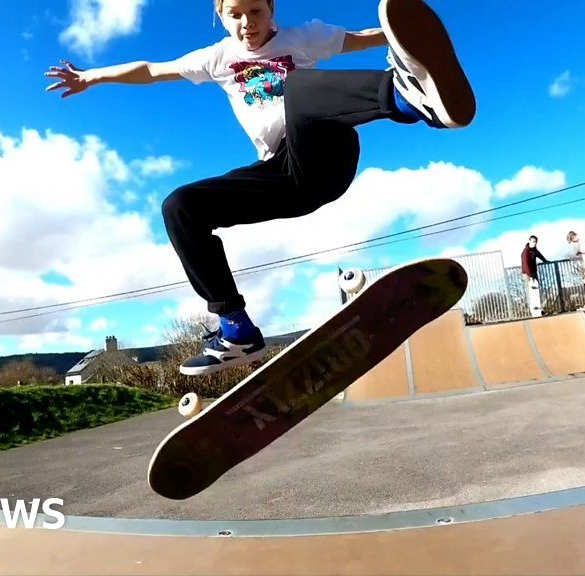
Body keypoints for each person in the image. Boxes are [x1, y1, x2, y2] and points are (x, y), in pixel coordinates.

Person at [45, 0, 476, 376]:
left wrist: (413, 36)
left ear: (272, 9)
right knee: (180, 207)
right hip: (283, 178)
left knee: (300, 90)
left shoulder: (303, 37)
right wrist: (92, 76)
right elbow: (153, 70)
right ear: (220, 15)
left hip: (325, 150)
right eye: (235, 15)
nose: (247, 23)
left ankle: (407, 99)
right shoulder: (216, 58)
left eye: (256, 11)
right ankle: (236, 331)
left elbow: (363, 38)